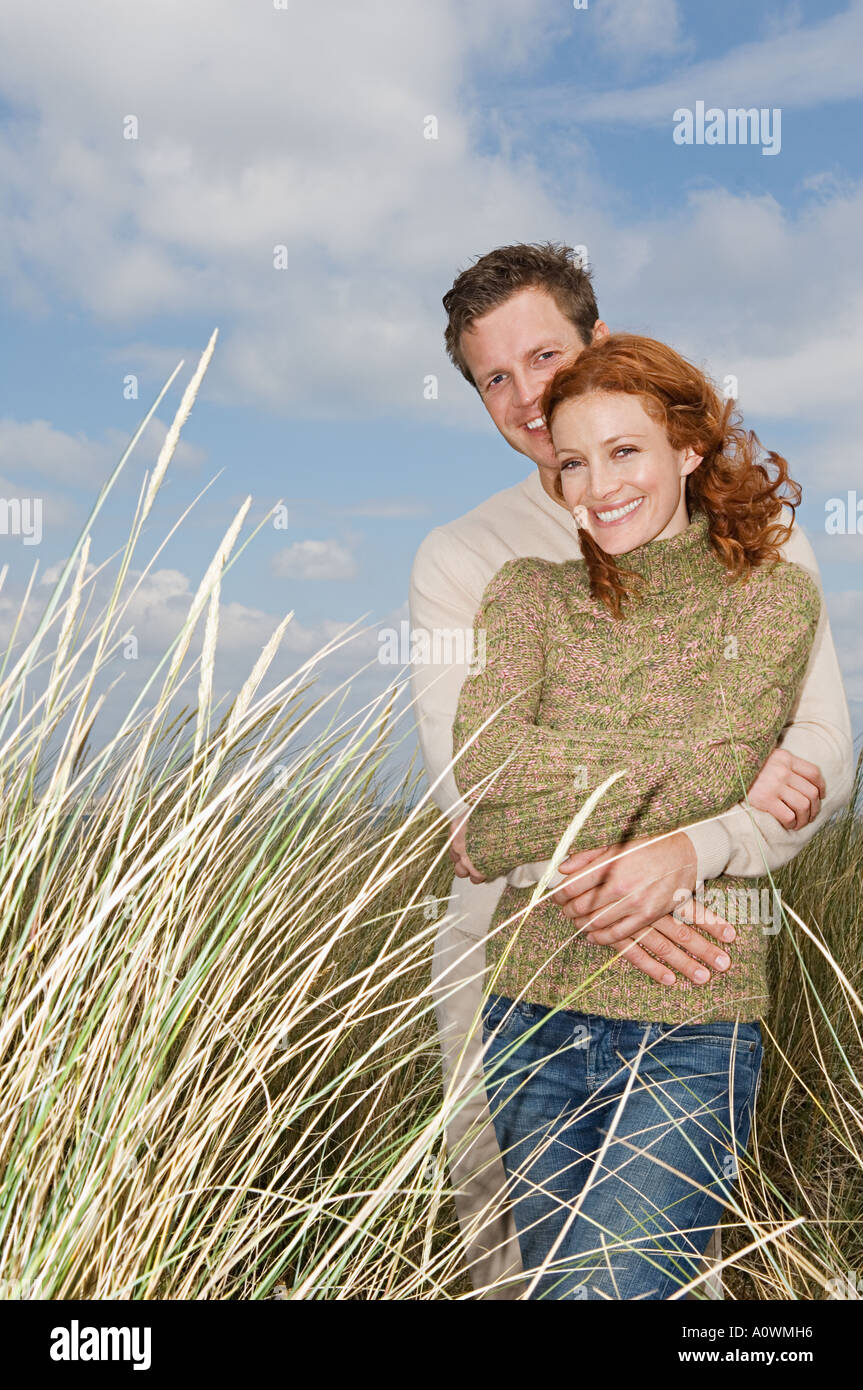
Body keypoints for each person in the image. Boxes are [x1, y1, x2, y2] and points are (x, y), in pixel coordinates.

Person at [409, 243, 853, 1299]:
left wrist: (695, 850)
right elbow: (477, 796)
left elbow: (815, 759)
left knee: (631, 1281)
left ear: (598, 343)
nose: (524, 397)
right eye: (493, 380)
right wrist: (644, 858)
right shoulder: (463, 562)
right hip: (507, 965)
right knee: (510, 1266)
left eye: (543, 355)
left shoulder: (764, 545)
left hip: (696, 955)